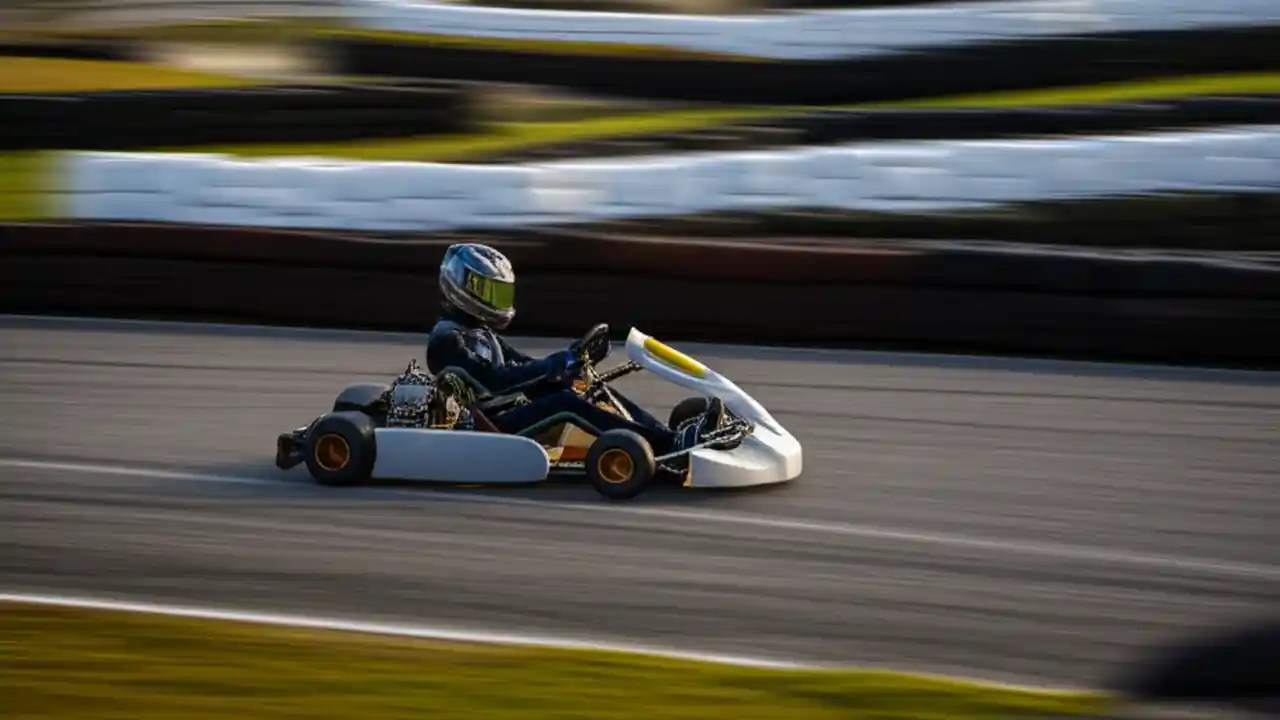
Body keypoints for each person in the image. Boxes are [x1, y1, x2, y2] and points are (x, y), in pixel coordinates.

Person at [424, 242, 735, 460]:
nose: (497, 300)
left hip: (507, 412)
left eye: (501, 292)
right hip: (491, 429)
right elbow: (497, 381)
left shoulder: (478, 332)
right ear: (460, 285)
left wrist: (568, 364)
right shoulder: (447, 340)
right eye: (489, 291)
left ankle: (665, 435)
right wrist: (557, 364)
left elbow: (522, 366)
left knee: (583, 386)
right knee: (565, 403)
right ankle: (667, 446)